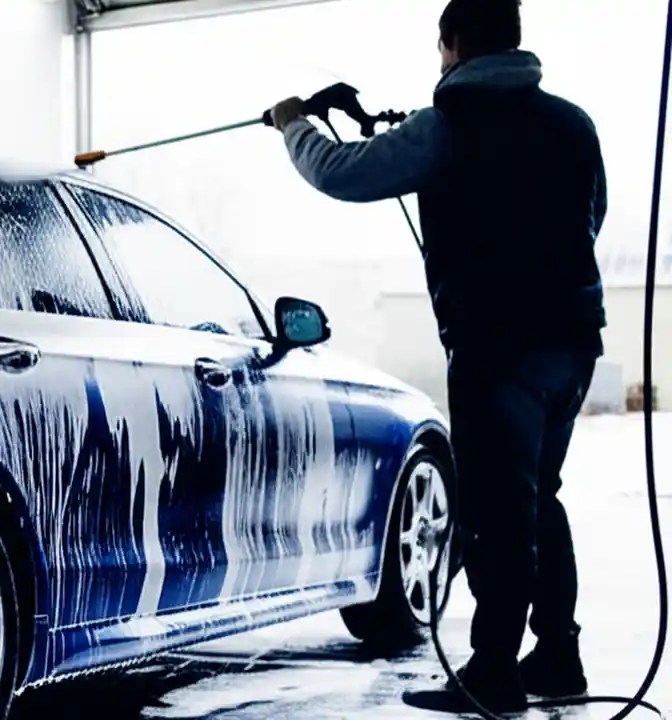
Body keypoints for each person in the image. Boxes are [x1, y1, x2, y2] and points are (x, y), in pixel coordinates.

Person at [268, 0, 606, 713]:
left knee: (496, 508)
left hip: (495, 344)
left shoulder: (451, 127)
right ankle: (559, 657)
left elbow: (340, 172)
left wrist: (294, 121)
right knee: (540, 497)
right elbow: (590, 216)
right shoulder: (572, 125)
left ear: (453, 46)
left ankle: (494, 671)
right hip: (572, 341)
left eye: (441, 50)